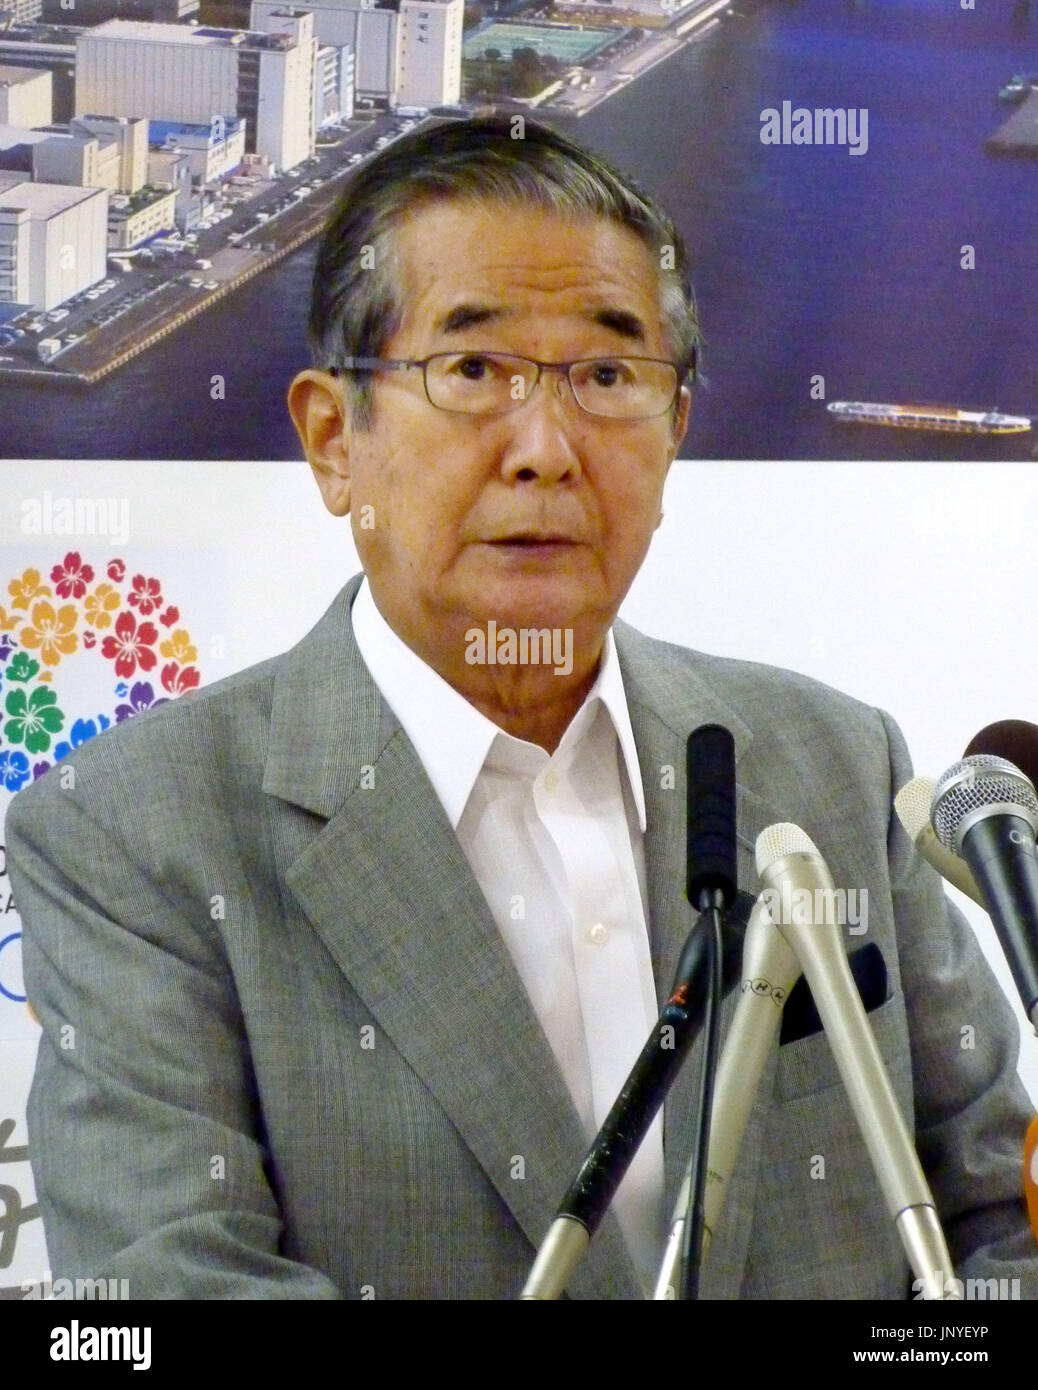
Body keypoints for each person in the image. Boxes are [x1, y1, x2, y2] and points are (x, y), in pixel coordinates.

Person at [7, 116, 1038, 1300]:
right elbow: (176, 1281)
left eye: (608, 376)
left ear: (675, 435)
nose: (546, 447)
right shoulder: (133, 829)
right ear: (334, 440)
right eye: (473, 371)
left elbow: (998, 1216)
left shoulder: (834, 762)